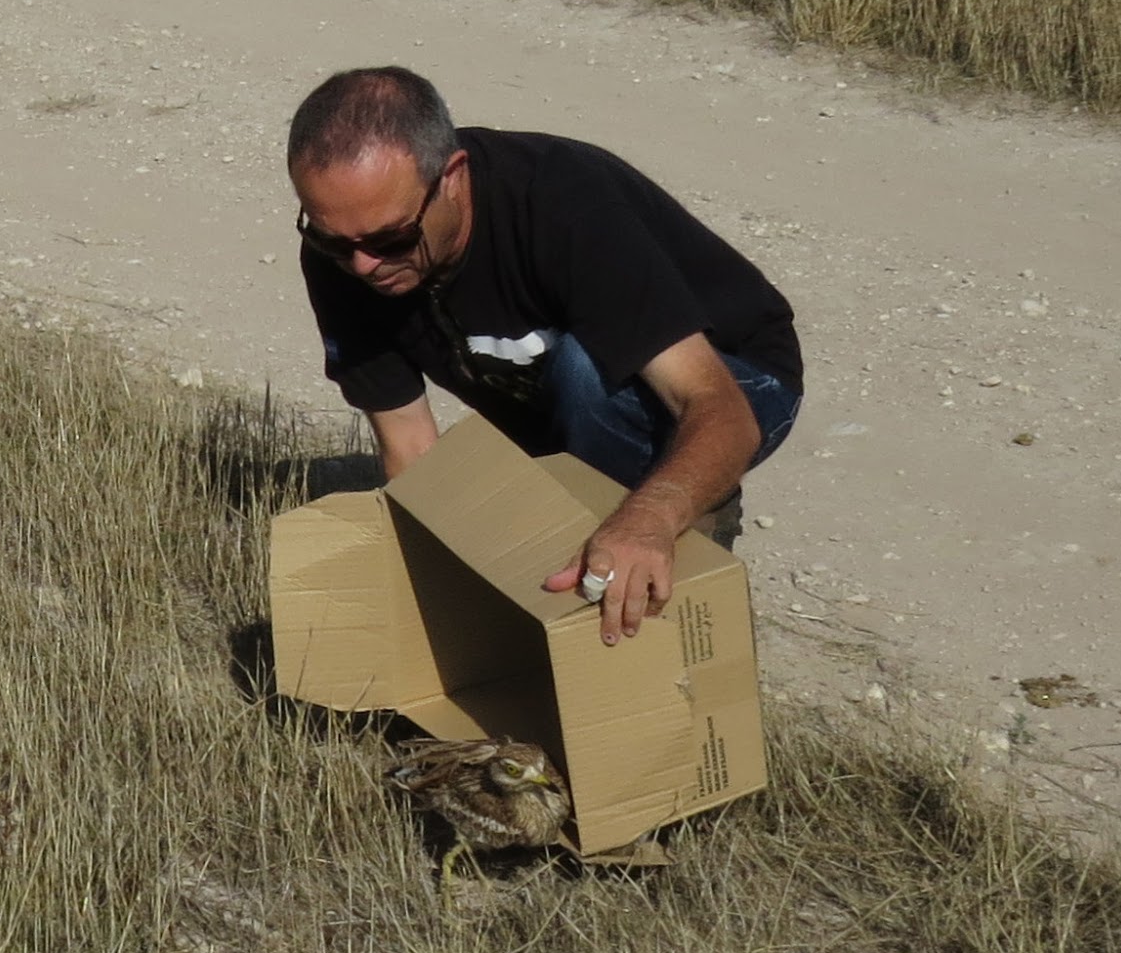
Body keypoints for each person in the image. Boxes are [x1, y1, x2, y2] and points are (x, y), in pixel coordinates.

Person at [288, 66, 802, 648]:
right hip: (553, 410)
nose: (363, 267)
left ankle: (688, 511)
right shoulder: (340, 257)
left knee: (588, 374)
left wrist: (651, 516)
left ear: (452, 177)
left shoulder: (563, 204)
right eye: (334, 242)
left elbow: (718, 407)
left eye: (391, 240)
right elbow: (410, 451)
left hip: (735, 384)